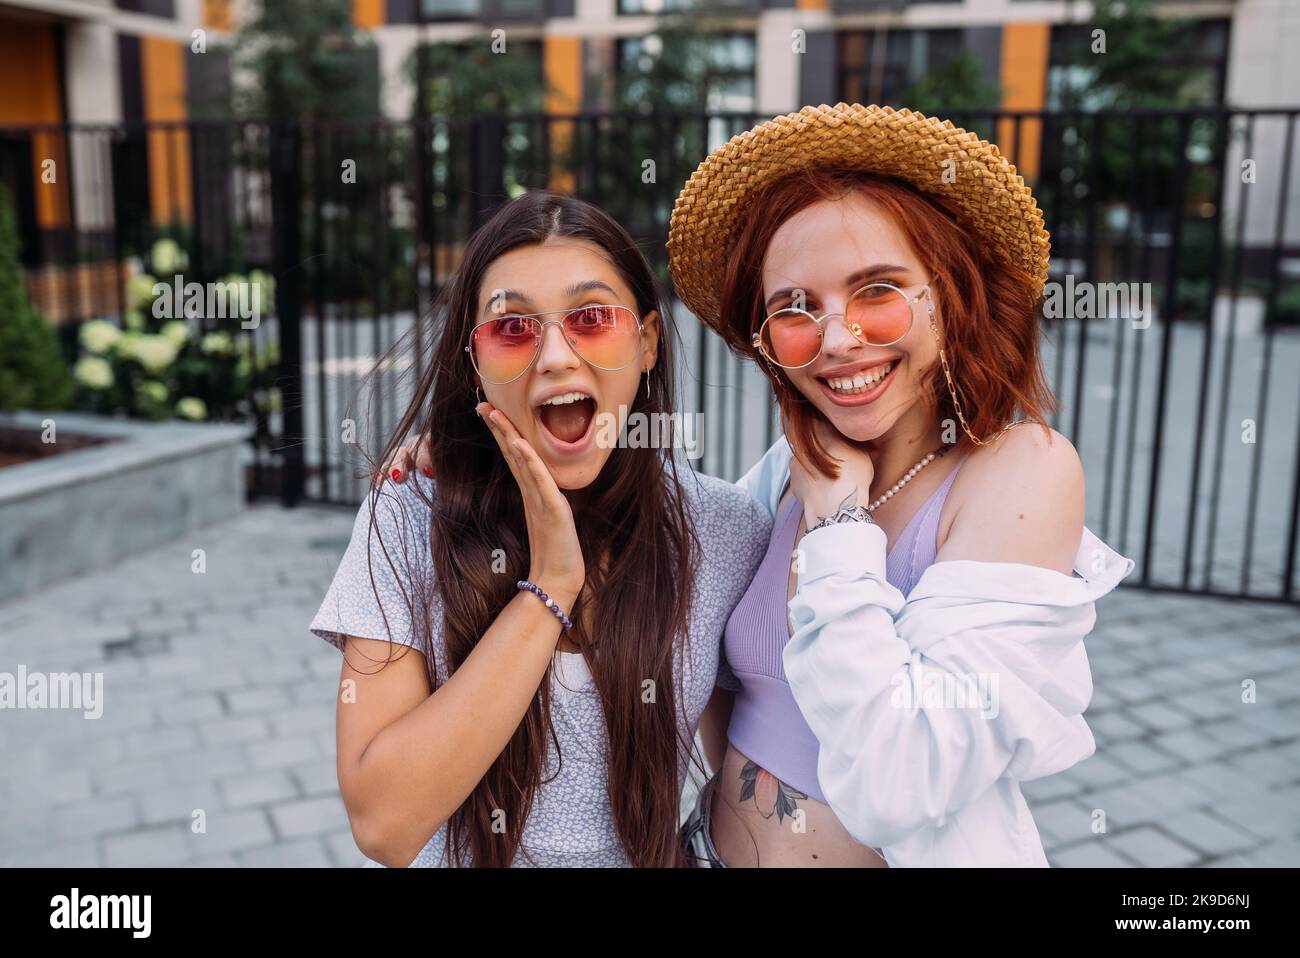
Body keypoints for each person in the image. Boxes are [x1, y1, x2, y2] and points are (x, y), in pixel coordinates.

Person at [669, 103, 1133, 867]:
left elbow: (899, 778)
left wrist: (842, 526)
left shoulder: (1022, 469)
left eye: (876, 291)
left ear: (949, 296)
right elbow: (655, 548)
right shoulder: (788, 470)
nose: (836, 339)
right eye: (794, 308)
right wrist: (462, 458)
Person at [311, 190, 770, 867]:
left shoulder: (723, 529)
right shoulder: (407, 516)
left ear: (646, 342)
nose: (554, 356)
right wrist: (548, 588)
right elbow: (384, 823)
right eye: (512, 329)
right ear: (475, 364)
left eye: (591, 319)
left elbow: (751, 785)